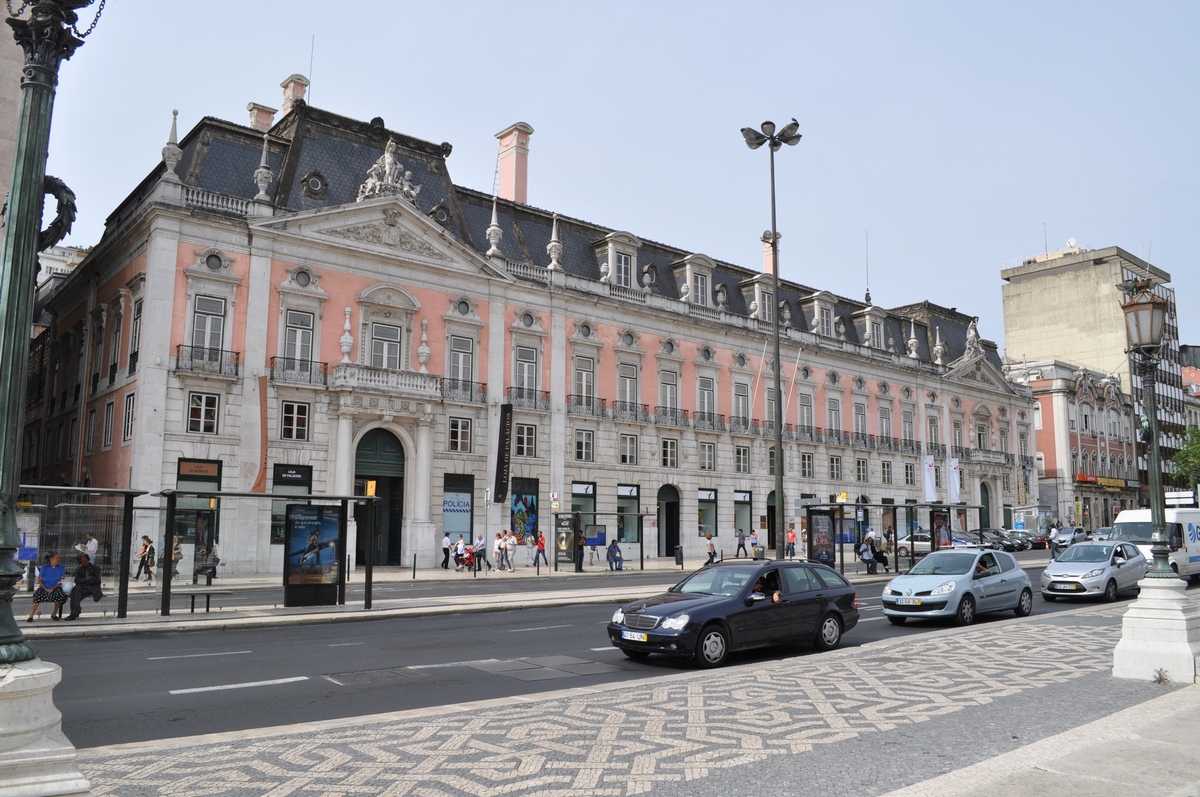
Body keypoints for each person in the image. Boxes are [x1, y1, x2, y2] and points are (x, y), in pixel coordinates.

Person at [27, 552, 67, 621]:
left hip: (55, 587)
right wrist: (45, 588)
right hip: (44, 586)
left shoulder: (61, 567)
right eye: (57, 558)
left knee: (61, 596)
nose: (58, 559)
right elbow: (39, 580)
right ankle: (31, 616)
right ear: (51, 559)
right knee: (37, 596)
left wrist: (53, 588)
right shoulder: (44, 567)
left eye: (59, 558)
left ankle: (54, 614)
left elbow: (62, 580)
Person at [65, 553, 103, 621]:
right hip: (82, 587)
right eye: (83, 561)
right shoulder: (79, 569)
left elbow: (97, 580)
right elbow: (77, 580)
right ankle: (76, 610)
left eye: (86, 561)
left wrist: (85, 581)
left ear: (88, 560)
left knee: (75, 594)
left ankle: (74, 613)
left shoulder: (96, 569)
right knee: (76, 589)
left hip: (91, 588)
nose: (84, 562)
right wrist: (87, 579)